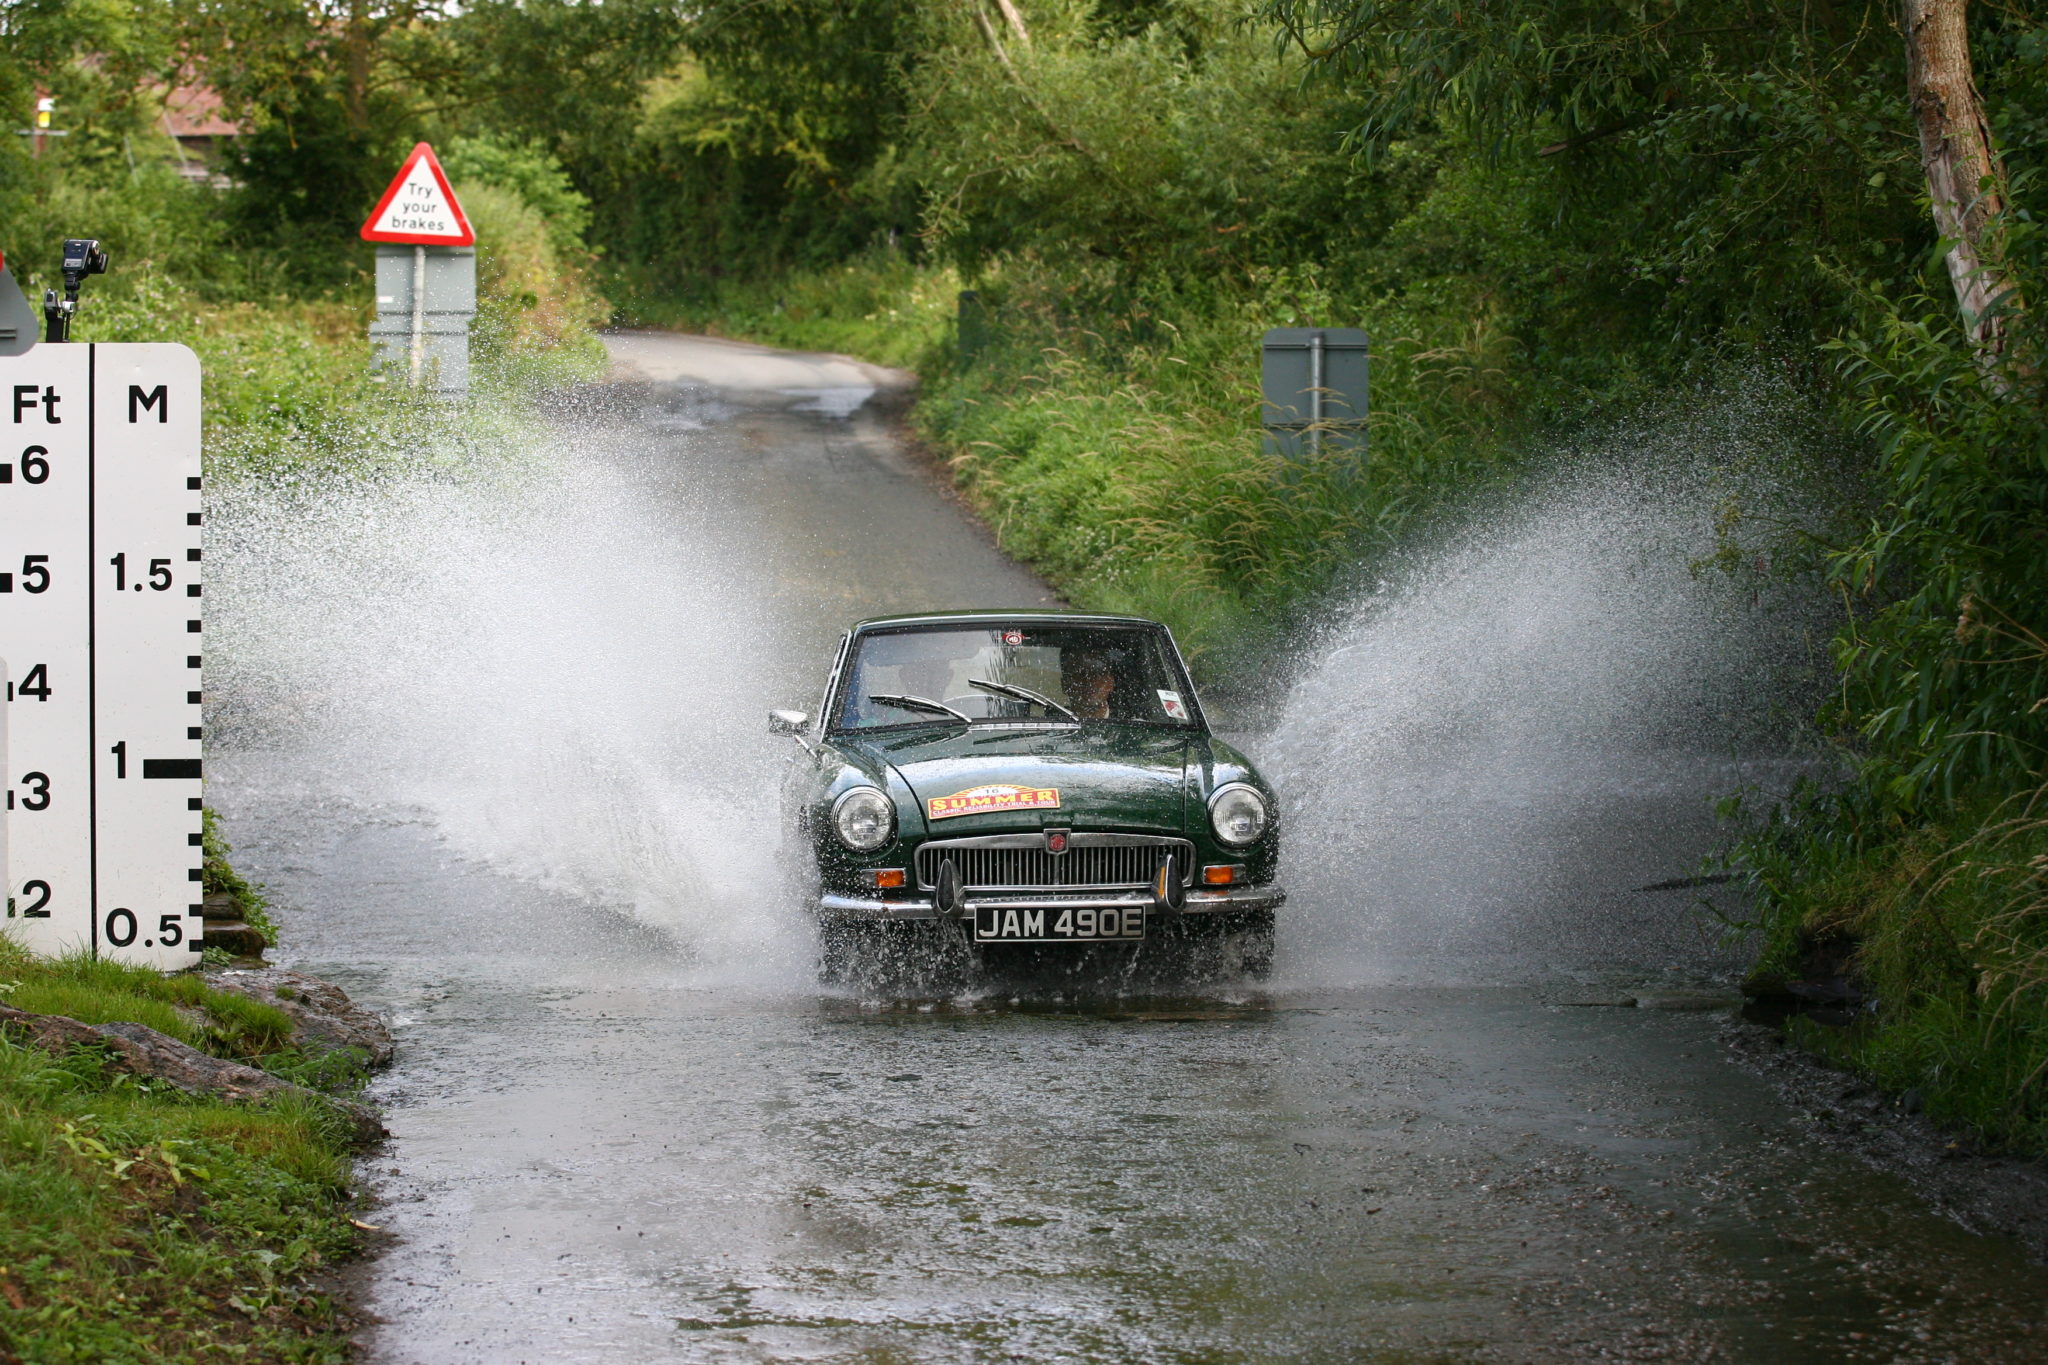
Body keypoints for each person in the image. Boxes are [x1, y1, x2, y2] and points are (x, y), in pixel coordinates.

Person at [1061, 649, 1116, 719]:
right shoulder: (1049, 722)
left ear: (1110, 683)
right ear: (1065, 684)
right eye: (1081, 674)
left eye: (1097, 674)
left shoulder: (1127, 723)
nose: (1089, 681)